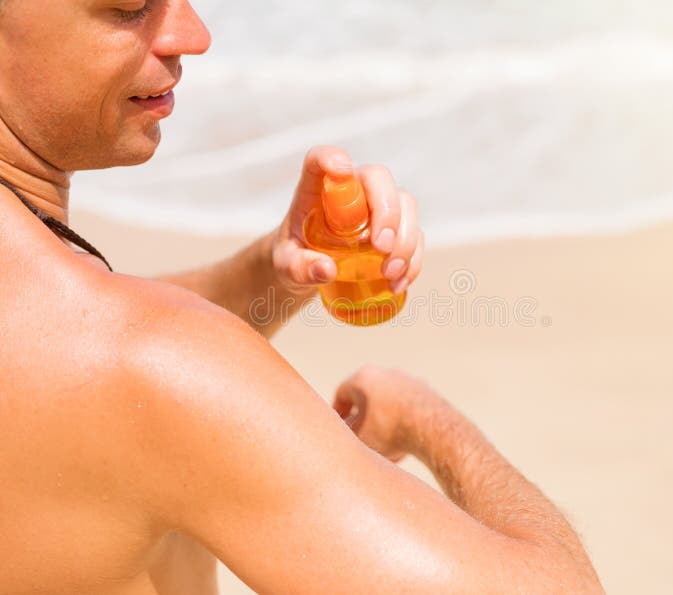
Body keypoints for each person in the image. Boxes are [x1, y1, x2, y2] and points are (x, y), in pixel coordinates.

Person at [0, 1, 603, 593]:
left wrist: (272, 271)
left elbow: (74, 357)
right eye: (132, 7)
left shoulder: (70, 333)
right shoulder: (147, 365)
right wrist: (423, 418)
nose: (194, 33)